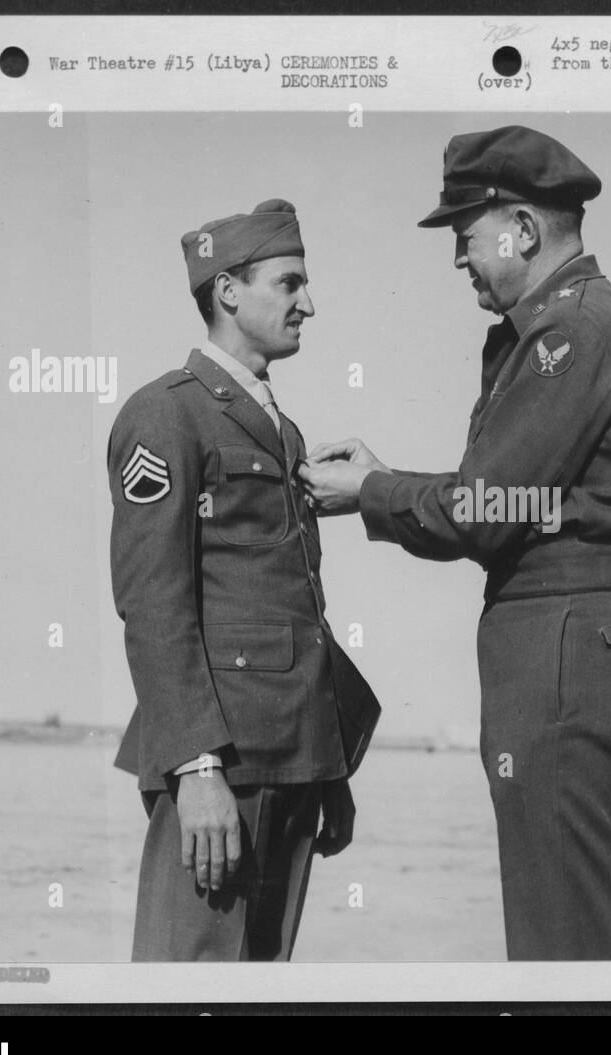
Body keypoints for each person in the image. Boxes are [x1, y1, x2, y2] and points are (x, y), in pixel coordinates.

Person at [302, 127, 611, 960]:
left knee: (564, 955)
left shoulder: (569, 336)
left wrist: (370, 490)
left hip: (562, 653)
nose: (458, 259)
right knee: (585, 942)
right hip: (587, 649)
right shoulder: (573, 329)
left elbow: (482, 510)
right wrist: (387, 479)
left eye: (465, 235)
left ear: (522, 227)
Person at [107, 199, 375, 961]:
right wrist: (195, 771)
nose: (308, 303)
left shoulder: (277, 428)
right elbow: (153, 603)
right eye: (289, 283)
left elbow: (296, 601)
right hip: (219, 763)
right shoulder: (166, 417)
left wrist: (328, 768)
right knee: (188, 977)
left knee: (261, 983)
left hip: (292, 760)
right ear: (227, 290)